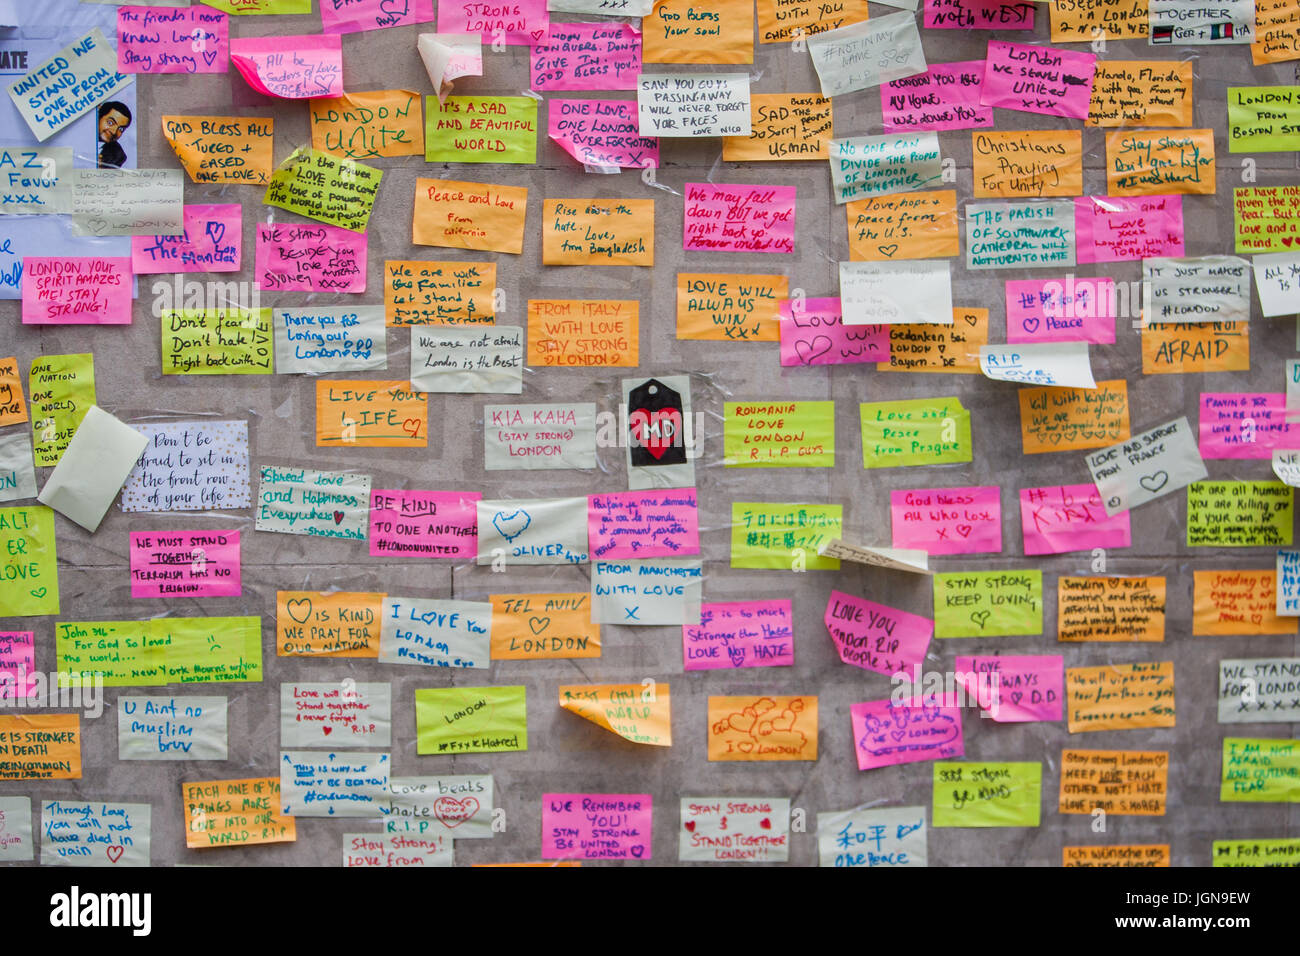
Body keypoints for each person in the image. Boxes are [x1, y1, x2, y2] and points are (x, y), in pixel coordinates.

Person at [96, 101, 131, 169]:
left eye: (121, 129)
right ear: (99, 116)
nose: (114, 132)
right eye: (110, 123)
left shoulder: (118, 155)